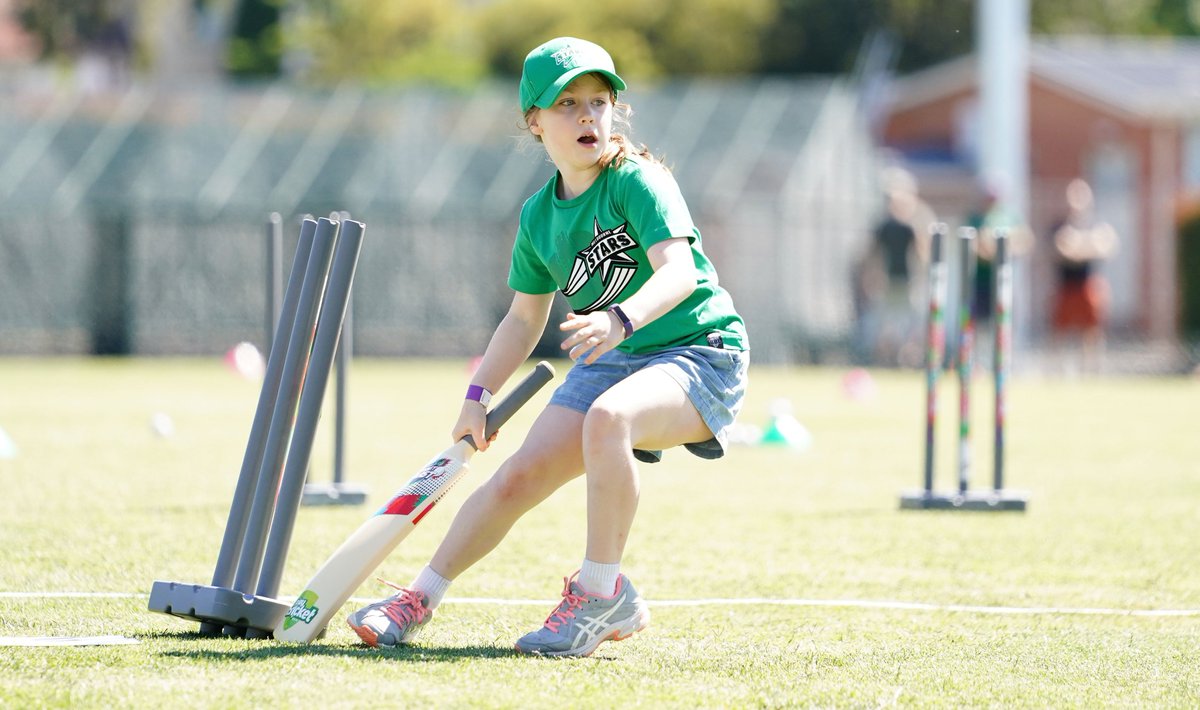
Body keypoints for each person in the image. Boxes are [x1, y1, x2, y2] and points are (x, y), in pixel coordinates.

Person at [346, 37, 749, 657]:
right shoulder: (537, 216)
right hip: (613, 357)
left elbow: (680, 273)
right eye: (567, 105)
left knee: (609, 418)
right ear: (534, 122)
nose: (588, 116)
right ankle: (417, 598)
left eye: (598, 101)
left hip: (700, 351)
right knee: (517, 479)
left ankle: (600, 594)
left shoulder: (639, 179)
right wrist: (477, 396)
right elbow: (522, 318)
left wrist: (621, 319)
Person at [857, 168, 934, 368]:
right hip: (888, 283)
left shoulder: (919, 219)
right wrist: (869, 279)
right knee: (884, 326)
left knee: (915, 326)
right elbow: (871, 254)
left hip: (912, 283)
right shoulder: (883, 225)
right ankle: (886, 362)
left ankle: (911, 361)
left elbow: (926, 253)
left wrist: (912, 224)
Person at [1050, 178, 1118, 374]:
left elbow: (1107, 247)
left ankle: (1091, 370)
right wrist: (1088, 245)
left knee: (1092, 331)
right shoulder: (1059, 224)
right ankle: (1059, 370)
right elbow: (1063, 249)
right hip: (1066, 285)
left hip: (1089, 284)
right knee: (1060, 331)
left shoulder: (1097, 224)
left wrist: (1079, 245)